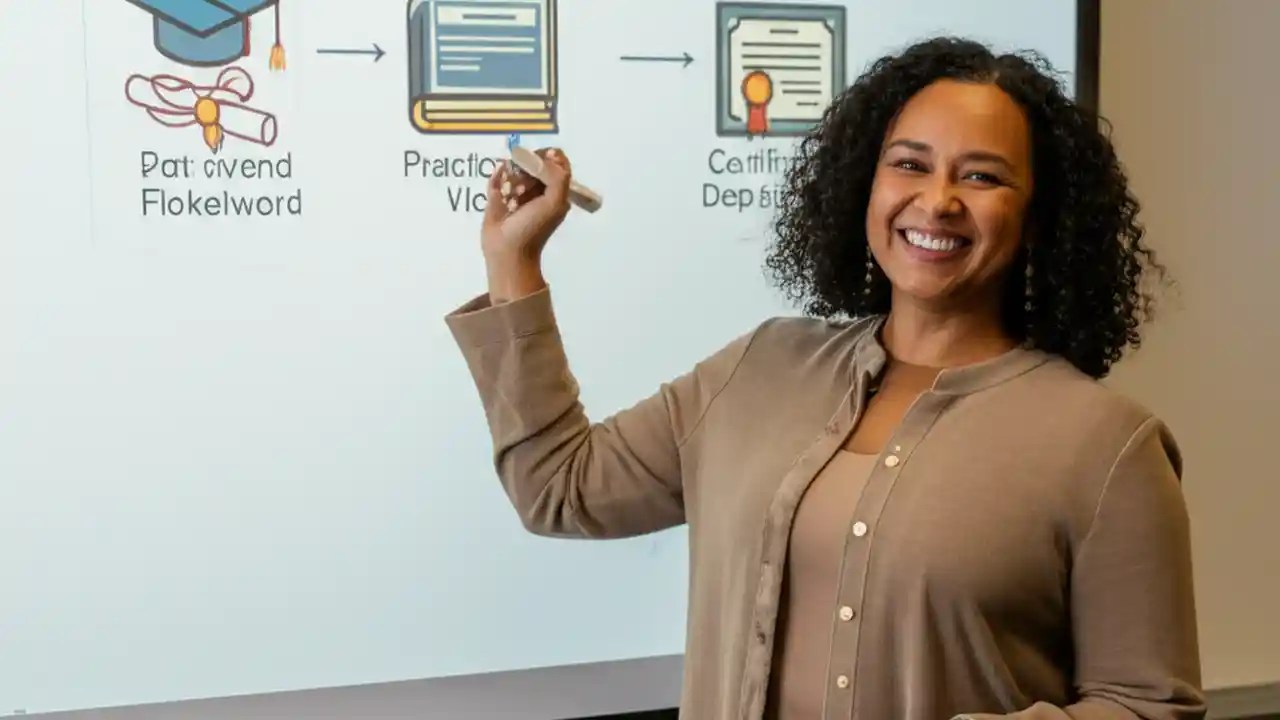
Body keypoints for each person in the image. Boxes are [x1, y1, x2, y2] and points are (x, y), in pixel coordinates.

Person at [444, 37, 1206, 720]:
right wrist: (514, 263)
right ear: (863, 185)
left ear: (1040, 215)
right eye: (909, 163)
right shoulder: (762, 367)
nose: (936, 201)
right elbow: (559, 488)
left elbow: (1147, 704)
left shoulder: (1108, 448)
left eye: (981, 176)